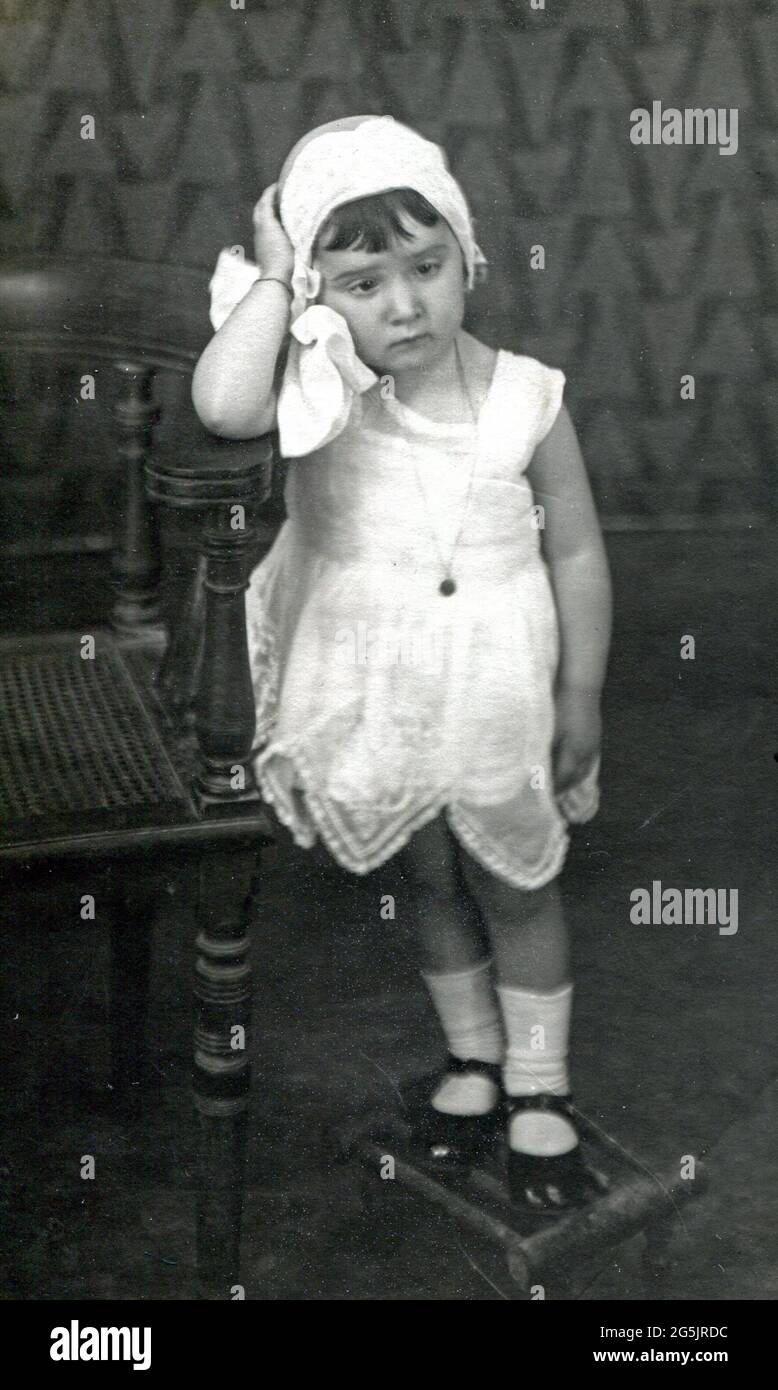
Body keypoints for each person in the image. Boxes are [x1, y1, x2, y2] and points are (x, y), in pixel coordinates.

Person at [191, 115, 613, 1212]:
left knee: (517, 877)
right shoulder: (319, 383)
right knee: (427, 874)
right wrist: (280, 279)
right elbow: (222, 404)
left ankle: (541, 1082)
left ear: (466, 257)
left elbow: (573, 544)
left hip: (494, 679)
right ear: (323, 293)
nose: (405, 306)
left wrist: (580, 693)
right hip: (373, 678)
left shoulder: (525, 395)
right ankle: (472, 1058)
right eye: (364, 281)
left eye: (426, 268)